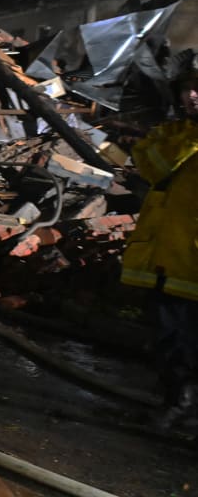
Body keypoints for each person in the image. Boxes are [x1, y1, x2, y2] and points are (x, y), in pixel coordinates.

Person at [121, 56, 198, 433]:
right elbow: (152, 167)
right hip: (170, 259)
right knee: (171, 341)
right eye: (187, 89)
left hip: (191, 263)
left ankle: (184, 409)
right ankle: (177, 405)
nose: (193, 97)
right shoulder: (179, 134)